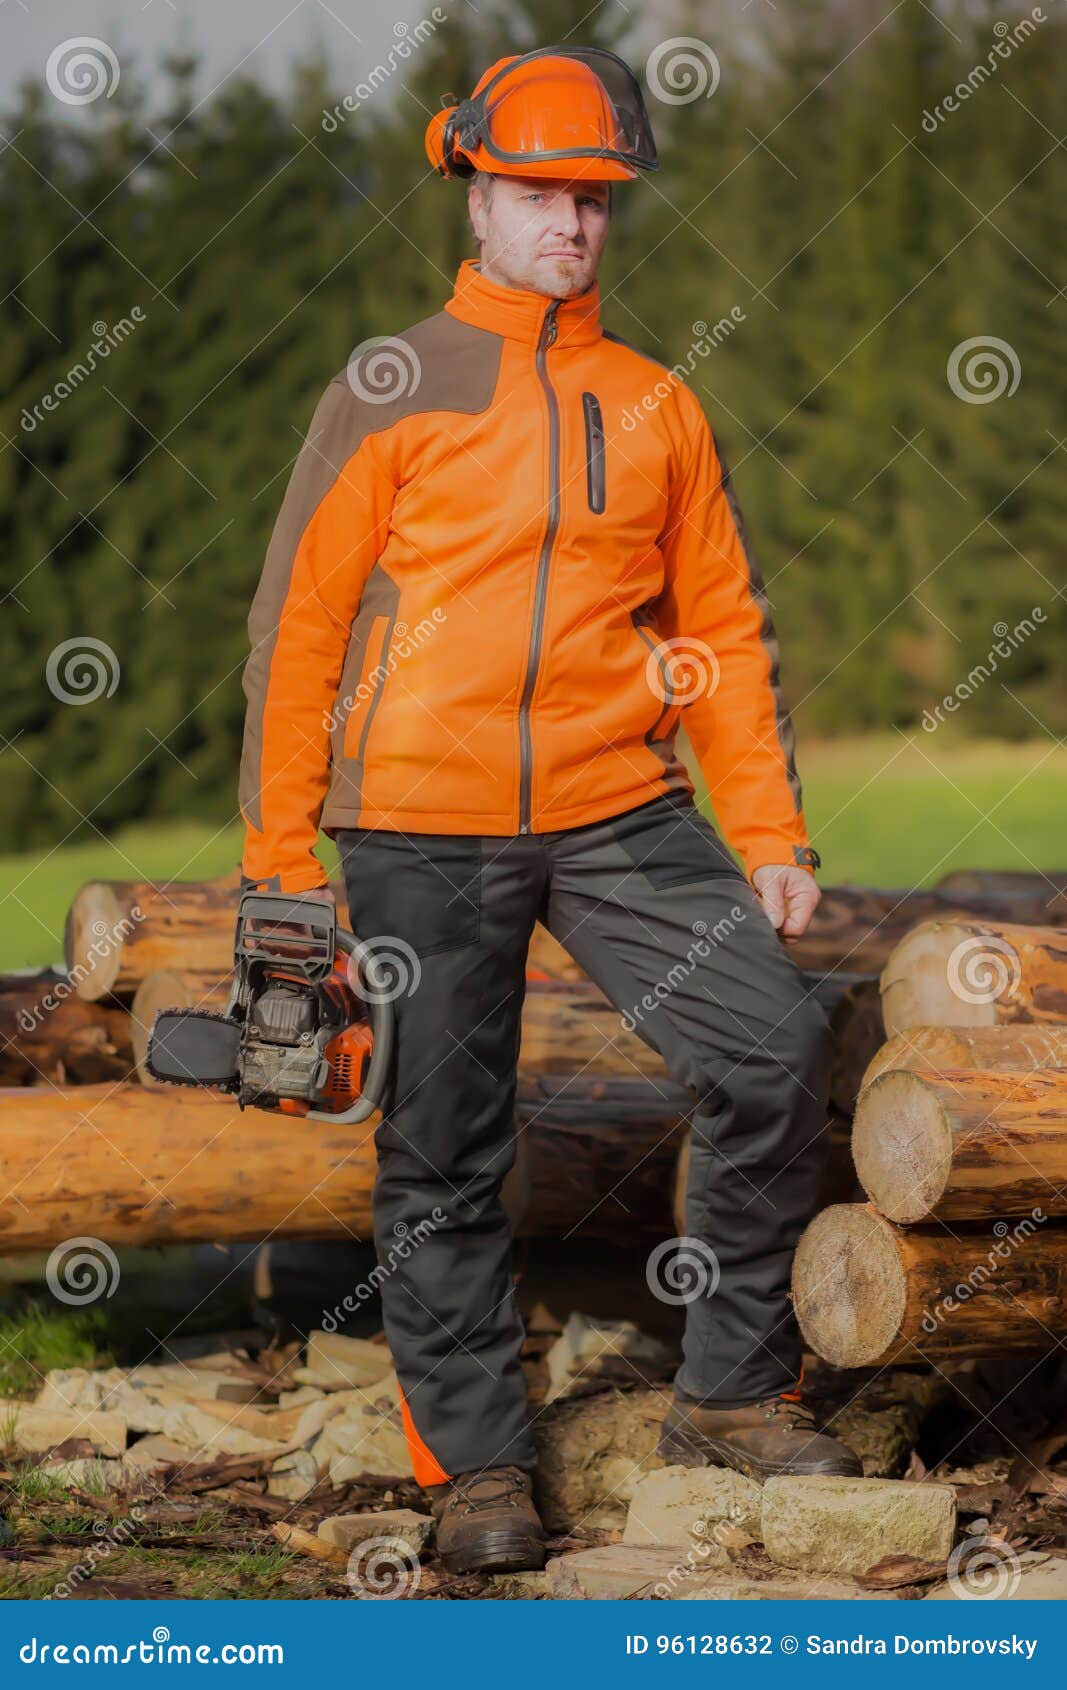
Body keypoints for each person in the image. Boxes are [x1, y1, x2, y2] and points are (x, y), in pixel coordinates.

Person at [237, 45, 861, 1576]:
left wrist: (771, 833)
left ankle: (731, 1390)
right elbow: (295, 627)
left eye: (594, 197)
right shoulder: (392, 385)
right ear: (476, 189)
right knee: (445, 1146)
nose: (573, 223)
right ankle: (476, 1470)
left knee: (774, 1051)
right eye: (541, 193)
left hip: (619, 802)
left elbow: (722, 624)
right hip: (418, 818)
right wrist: (277, 855)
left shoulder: (658, 403)